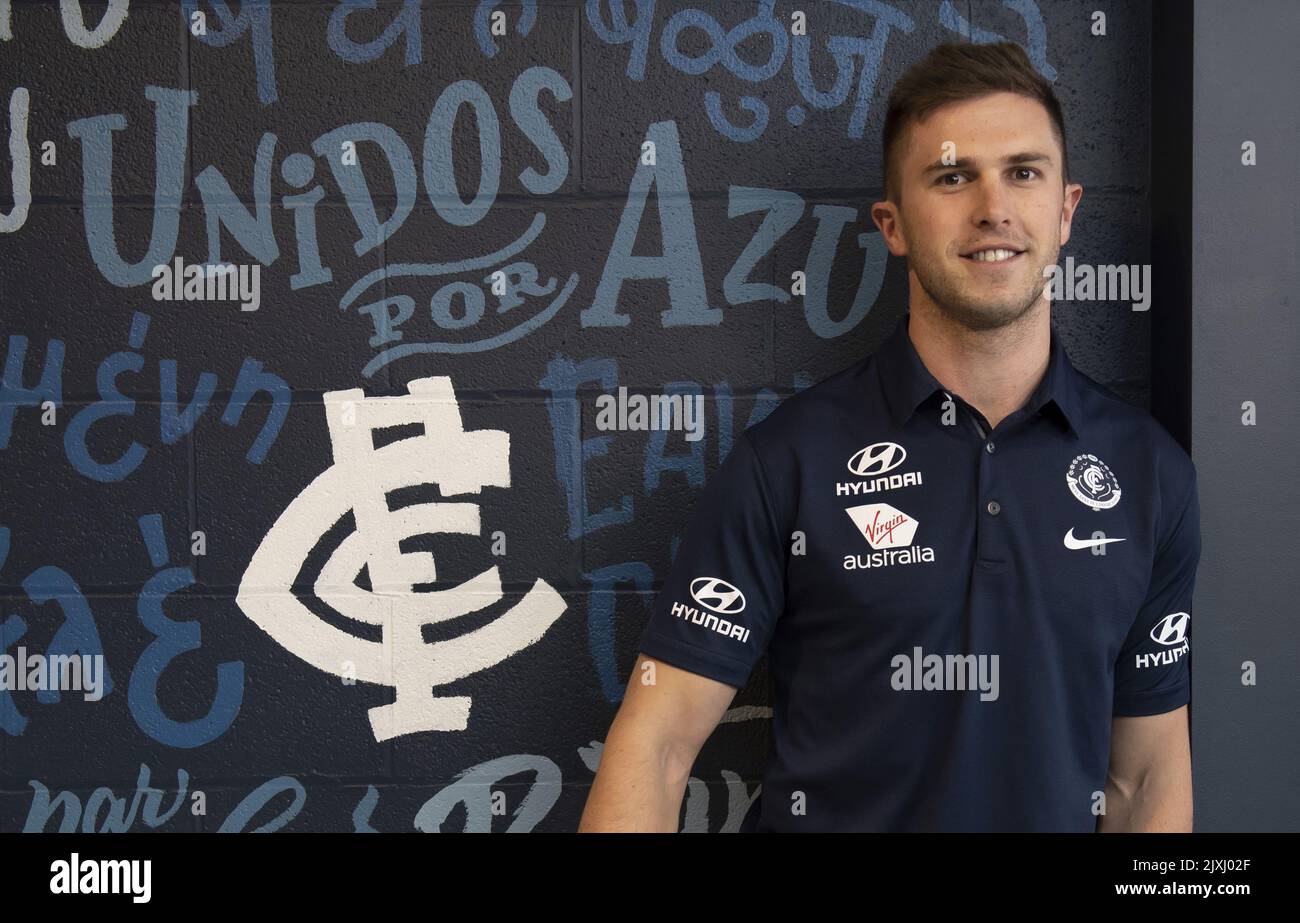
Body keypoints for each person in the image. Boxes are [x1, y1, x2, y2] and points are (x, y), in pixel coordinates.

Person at [579, 41, 1198, 832]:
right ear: (893, 224)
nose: (993, 208)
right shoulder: (788, 462)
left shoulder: (1149, 475)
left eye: (1023, 172)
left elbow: (1146, 780)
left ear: (1066, 209)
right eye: (951, 176)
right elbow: (657, 745)